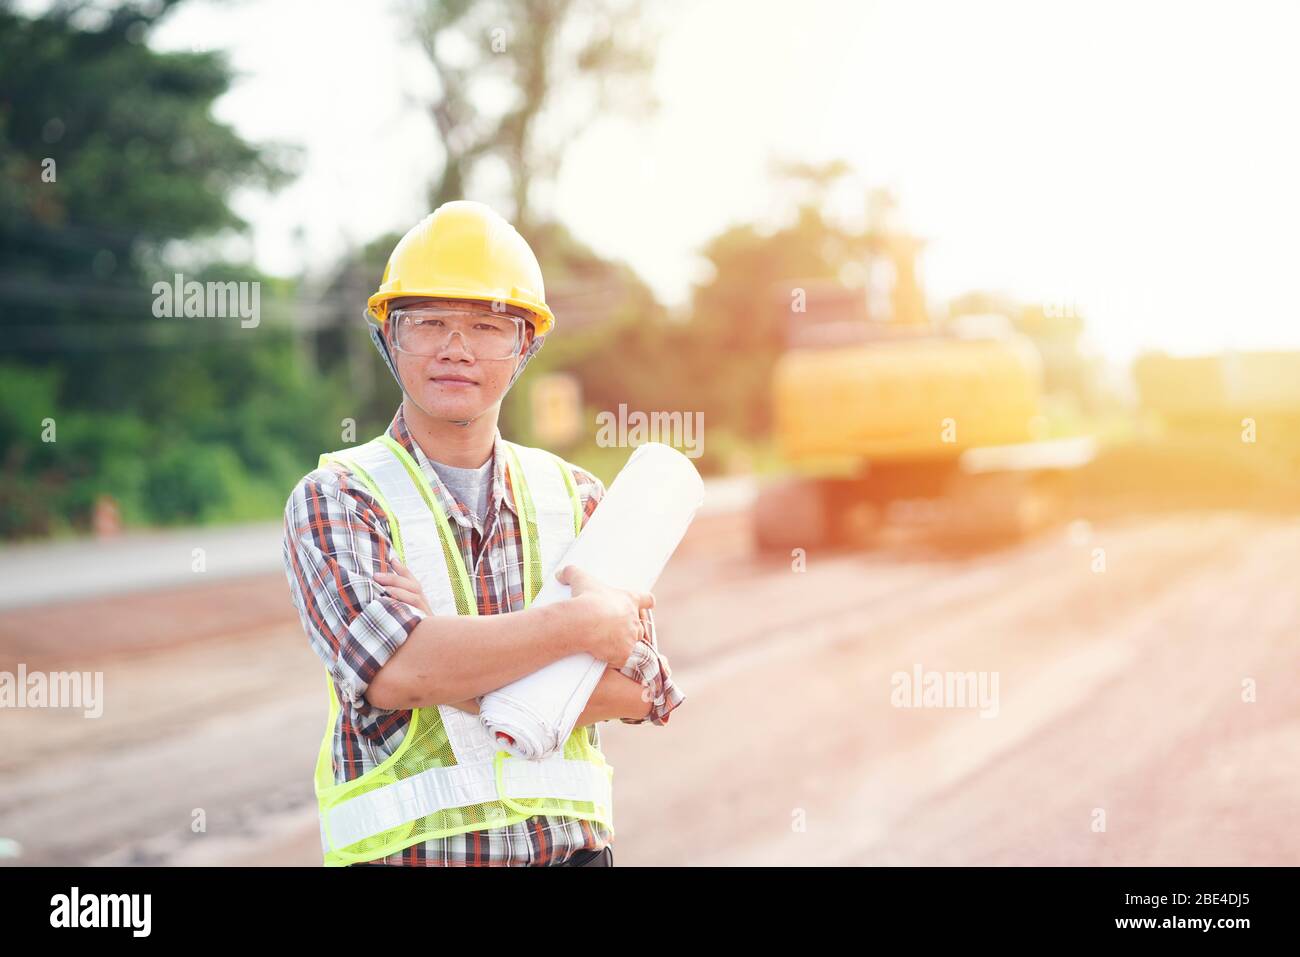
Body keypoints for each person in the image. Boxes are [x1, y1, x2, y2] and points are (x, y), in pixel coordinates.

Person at [282, 201, 683, 867]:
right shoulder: (339, 498)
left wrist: (445, 648)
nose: (455, 348)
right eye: (428, 323)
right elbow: (396, 673)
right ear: (388, 336)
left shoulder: (577, 498)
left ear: (526, 344)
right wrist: (578, 627)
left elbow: (645, 686)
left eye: (487, 326)